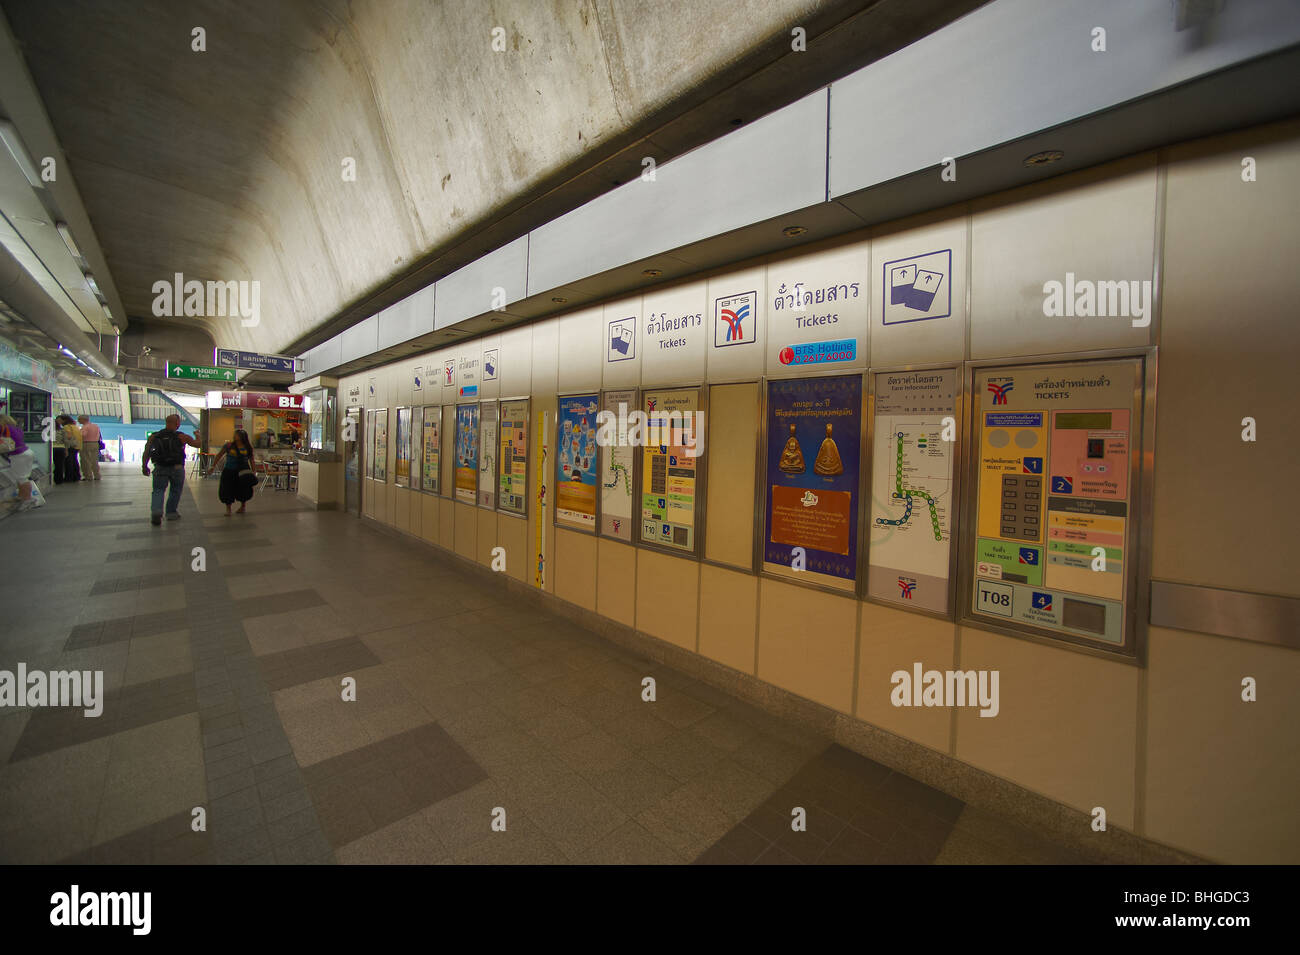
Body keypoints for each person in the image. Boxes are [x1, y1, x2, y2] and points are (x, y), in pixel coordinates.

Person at [141, 414, 200, 525]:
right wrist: (197, 435)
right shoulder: (182, 437)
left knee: (158, 490)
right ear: (177, 424)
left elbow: (147, 452)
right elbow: (198, 444)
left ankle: (156, 512)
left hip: (160, 467)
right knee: (175, 490)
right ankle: (171, 513)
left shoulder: (154, 436)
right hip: (177, 468)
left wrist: (144, 466)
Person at [208, 428, 258, 515]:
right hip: (229, 471)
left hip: (242, 472)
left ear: (242, 437)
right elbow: (219, 455)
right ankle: (228, 509)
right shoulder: (228, 446)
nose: (235, 436)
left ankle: (243, 506)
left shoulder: (247, 447)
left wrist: (254, 471)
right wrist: (212, 466)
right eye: (235, 434)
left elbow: (251, 460)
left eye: (237, 435)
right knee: (227, 490)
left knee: (243, 490)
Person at [0, 412, 37, 510]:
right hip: (26, 452)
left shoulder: (3, 428)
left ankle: (27, 499)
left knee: (22, 478)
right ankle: (23, 497)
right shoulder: (16, 429)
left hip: (18, 455)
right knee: (23, 477)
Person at [77, 415, 102, 481]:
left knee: (86, 461)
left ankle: (88, 476)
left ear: (83, 420)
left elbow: (83, 435)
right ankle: (97, 475)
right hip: (95, 443)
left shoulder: (85, 427)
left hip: (86, 444)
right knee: (94, 460)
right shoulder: (96, 426)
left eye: (79, 419)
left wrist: (78, 433)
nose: (78, 421)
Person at [61, 414, 82, 482]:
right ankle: (76, 476)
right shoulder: (76, 427)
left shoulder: (66, 427)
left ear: (64, 420)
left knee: (68, 462)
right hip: (76, 446)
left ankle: (69, 477)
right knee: (74, 461)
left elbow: (68, 437)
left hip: (70, 446)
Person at [51, 414, 70, 484]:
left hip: (52, 449)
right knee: (60, 465)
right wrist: (66, 450)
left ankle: (52, 478)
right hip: (61, 448)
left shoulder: (49, 432)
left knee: (53, 464)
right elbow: (66, 441)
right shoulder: (62, 430)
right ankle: (59, 479)